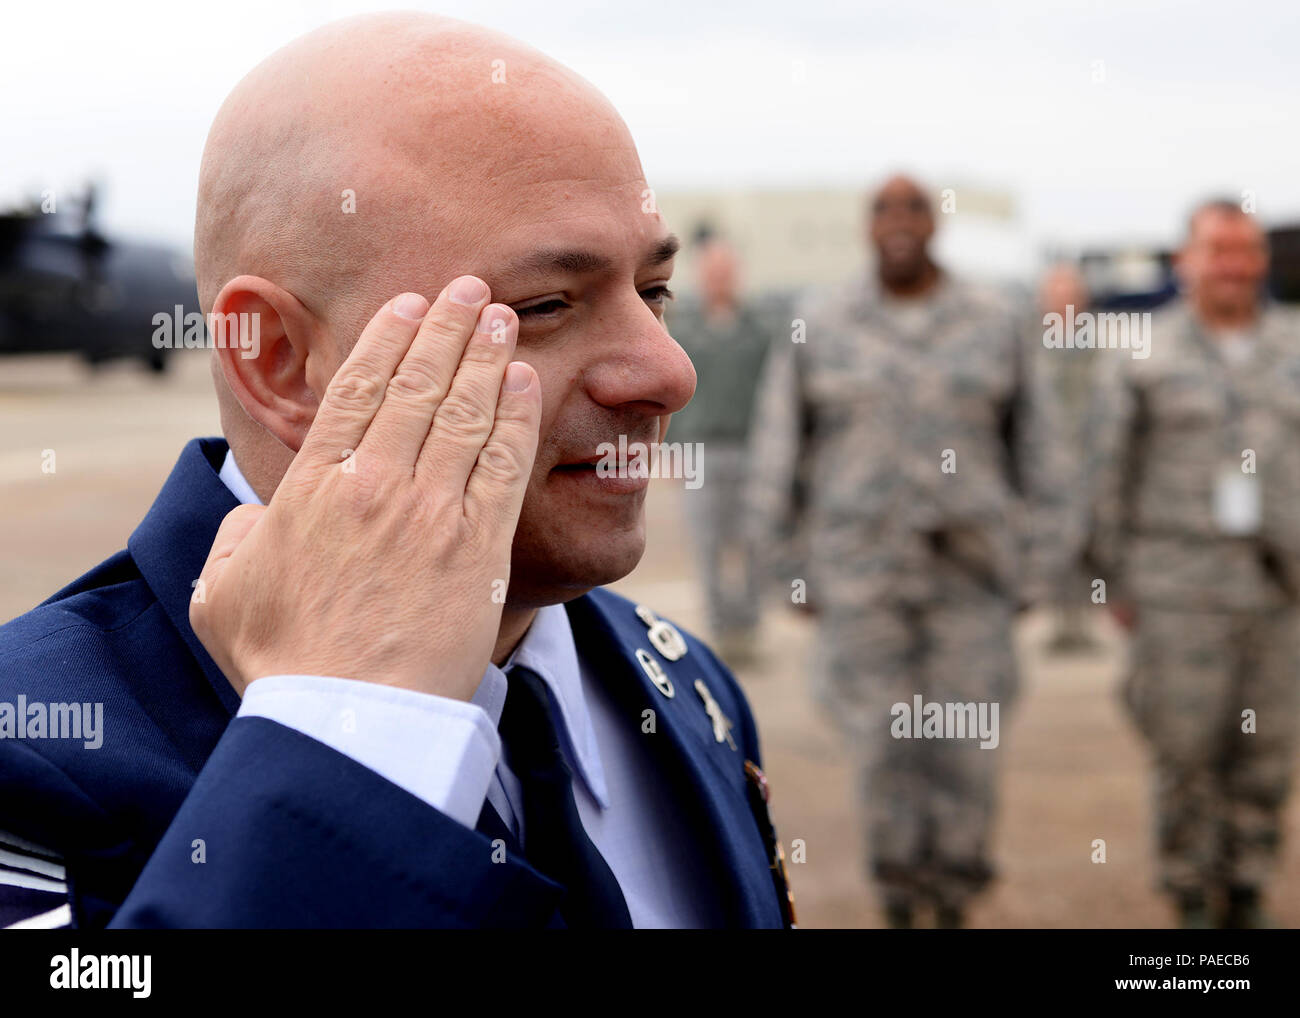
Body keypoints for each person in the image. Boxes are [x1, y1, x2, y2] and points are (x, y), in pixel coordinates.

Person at [0, 13, 793, 930]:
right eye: (542, 306)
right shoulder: (36, 754)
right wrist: (351, 746)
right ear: (282, 360)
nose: (669, 372)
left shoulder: (683, 687)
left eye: (655, 294)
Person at [748, 174, 1071, 928]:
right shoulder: (821, 322)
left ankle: (954, 897)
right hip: (861, 581)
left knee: (965, 750)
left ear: (935, 225)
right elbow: (778, 450)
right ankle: (898, 896)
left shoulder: (994, 319)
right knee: (884, 746)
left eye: (914, 210)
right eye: (884, 211)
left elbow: (1043, 450)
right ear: (868, 228)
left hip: (972, 579)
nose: (899, 224)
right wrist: (787, 572)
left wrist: (1040, 565)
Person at [1087, 199, 1300, 928]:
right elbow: (1108, 470)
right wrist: (1110, 576)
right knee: (1185, 752)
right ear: (1186, 262)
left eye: (1244, 251)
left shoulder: (1293, 346)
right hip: (1179, 588)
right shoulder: (1144, 355)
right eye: (1217, 250)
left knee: (1266, 754)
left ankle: (1246, 890)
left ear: (1260, 262)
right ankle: (1190, 903)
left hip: (1279, 589)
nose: (1233, 265)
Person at [666, 232, 777, 666]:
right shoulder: (683, 329)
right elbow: (674, 396)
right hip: (700, 452)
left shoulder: (761, 330)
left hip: (752, 451)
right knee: (707, 544)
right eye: (712, 271)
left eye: (726, 271)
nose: (720, 279)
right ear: (701, 275)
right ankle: (717, 631)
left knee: (753, 545)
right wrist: (672, 450)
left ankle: (747, 630)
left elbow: (775, 396)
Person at [1033, 263, 1101, 653]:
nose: (1063, 305)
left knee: (1087, 548)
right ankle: (1061, 624)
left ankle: (1084, 624)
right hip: (1048, 465)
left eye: (1069, 296)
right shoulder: (1030, 347)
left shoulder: (1097, 348)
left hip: (1088, 461)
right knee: (1057, 549)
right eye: (1056, 297)